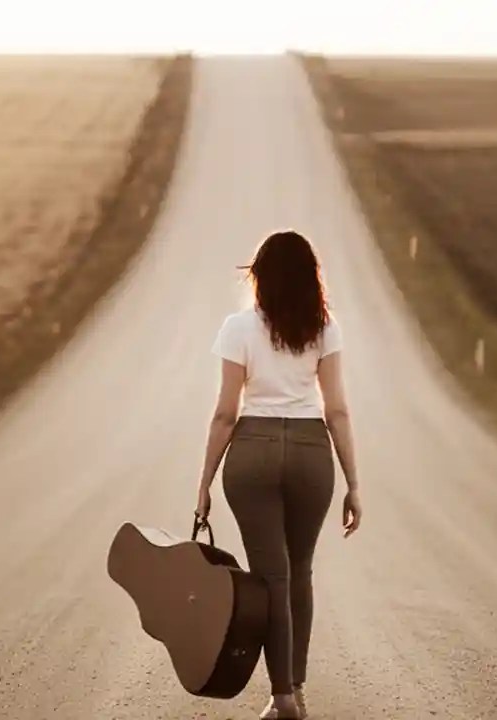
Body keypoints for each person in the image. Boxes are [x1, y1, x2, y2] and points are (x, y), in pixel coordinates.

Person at [194, 229, 362, 719]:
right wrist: (354, 482)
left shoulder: (237, 328)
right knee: (300, 573)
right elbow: (338, 411)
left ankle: (283, 696)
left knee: (271, 577)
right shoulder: (325, 328)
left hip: (253, 452)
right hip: (312, 452)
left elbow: (226, 412)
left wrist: (204, 481)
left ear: (260, 277)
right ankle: (296, 689)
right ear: (311, 278)